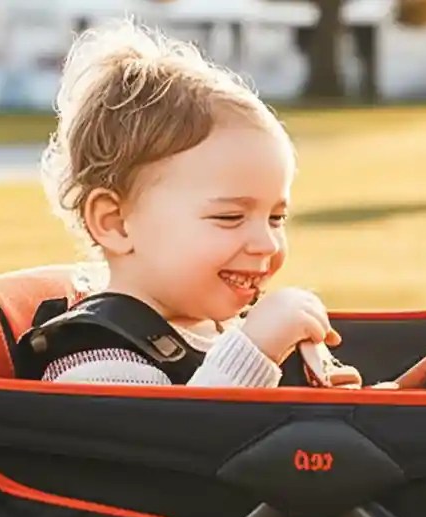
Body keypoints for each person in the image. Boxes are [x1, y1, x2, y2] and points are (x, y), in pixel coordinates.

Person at [18, 19, 341, 387]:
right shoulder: (98, 363)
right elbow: (177, 440)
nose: (267, 243)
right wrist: (254, 352)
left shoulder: (216, 327)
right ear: (116, 223)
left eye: (276, 217)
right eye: (230, 216)